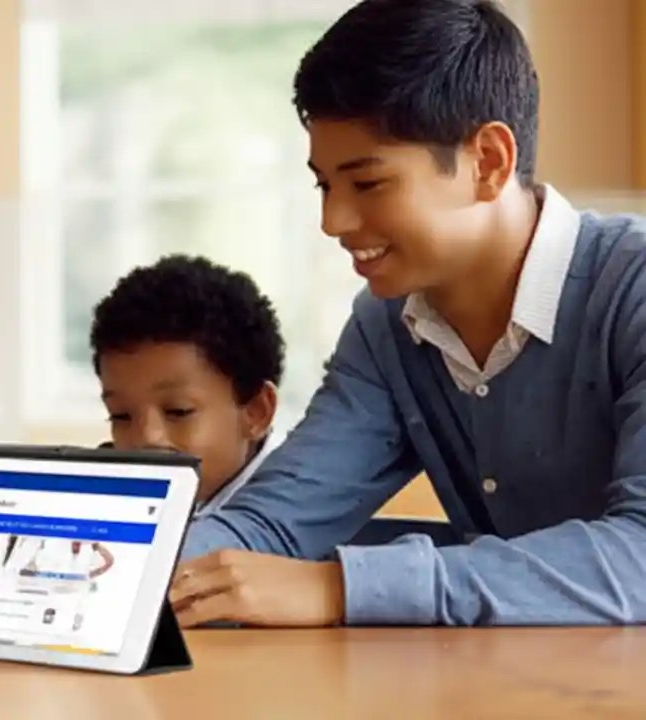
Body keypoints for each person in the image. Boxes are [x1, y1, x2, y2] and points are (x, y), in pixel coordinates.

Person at [172, 0, 646, 628]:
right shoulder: (384, 325)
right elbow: (275, 523)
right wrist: (98, 570)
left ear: (489, 162)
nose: (333, 222)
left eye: (366, 184)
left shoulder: (632, 287)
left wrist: (342, 588)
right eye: (324, 185)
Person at [90, 255, 283, 516]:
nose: (147, 437)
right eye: (121, 415)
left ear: (256, 411)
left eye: (178, 411)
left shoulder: (306, 524)